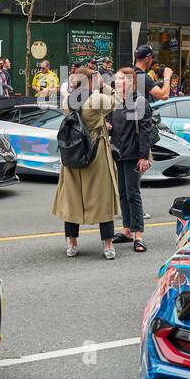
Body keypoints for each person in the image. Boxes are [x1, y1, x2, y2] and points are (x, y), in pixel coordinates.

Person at [54, 70, 120, 260]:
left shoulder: (68, 101)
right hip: (95, 153)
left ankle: (72, 243)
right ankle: (108, 245)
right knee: (102, 198)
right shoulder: (97, 99)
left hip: (73, 153)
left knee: (72, 198)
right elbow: (117, 101)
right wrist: (103, 85)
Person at [109, 67, 151, 253]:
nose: (118, 82)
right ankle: (126, 229)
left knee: (133, 193)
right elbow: (113, 127)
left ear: (131, 82)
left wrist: (144, 156)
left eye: (121, 79)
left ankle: (138, 235)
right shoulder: (116, 103)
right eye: (116, 79)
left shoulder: (140, 102)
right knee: (123, 193)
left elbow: (145, 132)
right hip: (119, 153)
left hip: (134, 154)